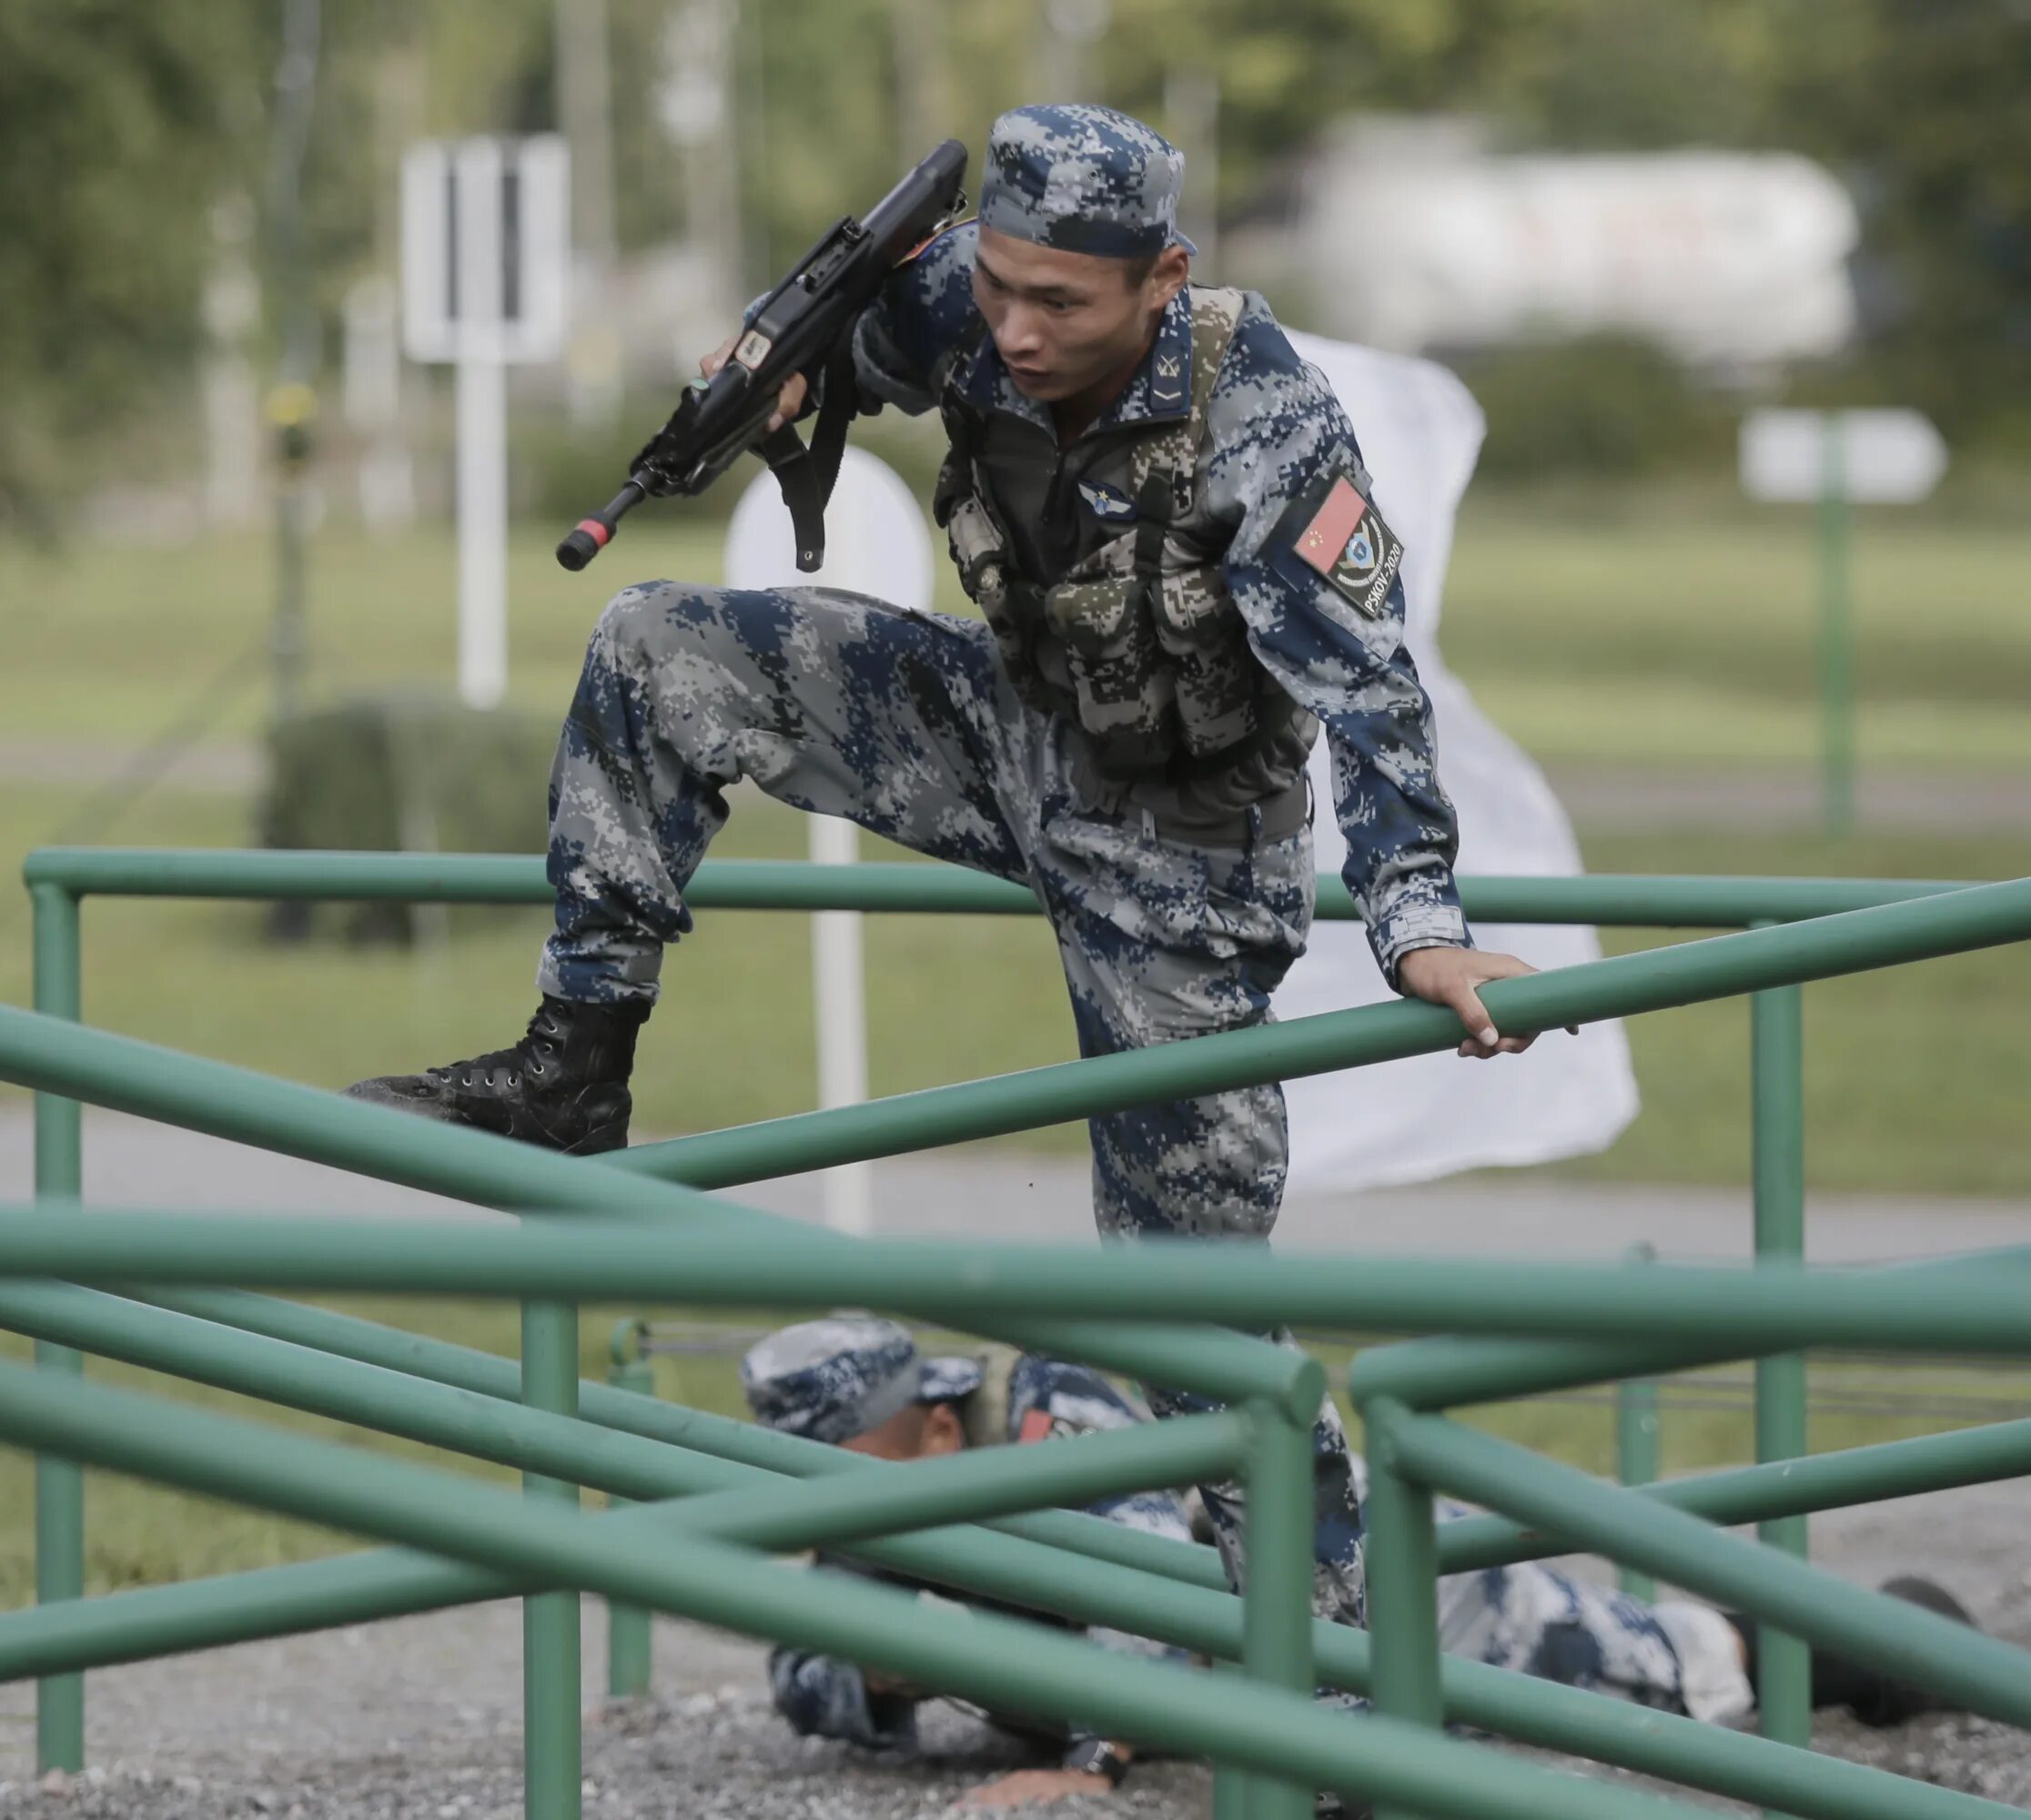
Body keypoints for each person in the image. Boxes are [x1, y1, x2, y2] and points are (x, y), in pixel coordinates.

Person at [353, 105, 1565, 1652]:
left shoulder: (1266, 423)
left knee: (1194, 1324)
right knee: (657, 650)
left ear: (1160, 280)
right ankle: (574, 1064)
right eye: (999, 285)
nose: (1016, 327)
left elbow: (1375, 700)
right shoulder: (970, 306)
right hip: (1006, 737)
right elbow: (871, 340)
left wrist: (1423, 932)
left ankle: (1331, 1677)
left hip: (1183, 865)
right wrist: (799, 376)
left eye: (1061, 301)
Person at [741, 1319, 1979, 1809]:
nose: (831, 1508)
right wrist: (890, 1671)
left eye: (851, 1466)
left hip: (1392, 1609)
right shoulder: (874, 1526)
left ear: (942, 1432)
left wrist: (1092, 1771)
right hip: (1279, 1683)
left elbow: (1149, 1596)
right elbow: (802, 1667)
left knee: (1691, 1672)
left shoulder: (1053, 1416)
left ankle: (1928, 1647)